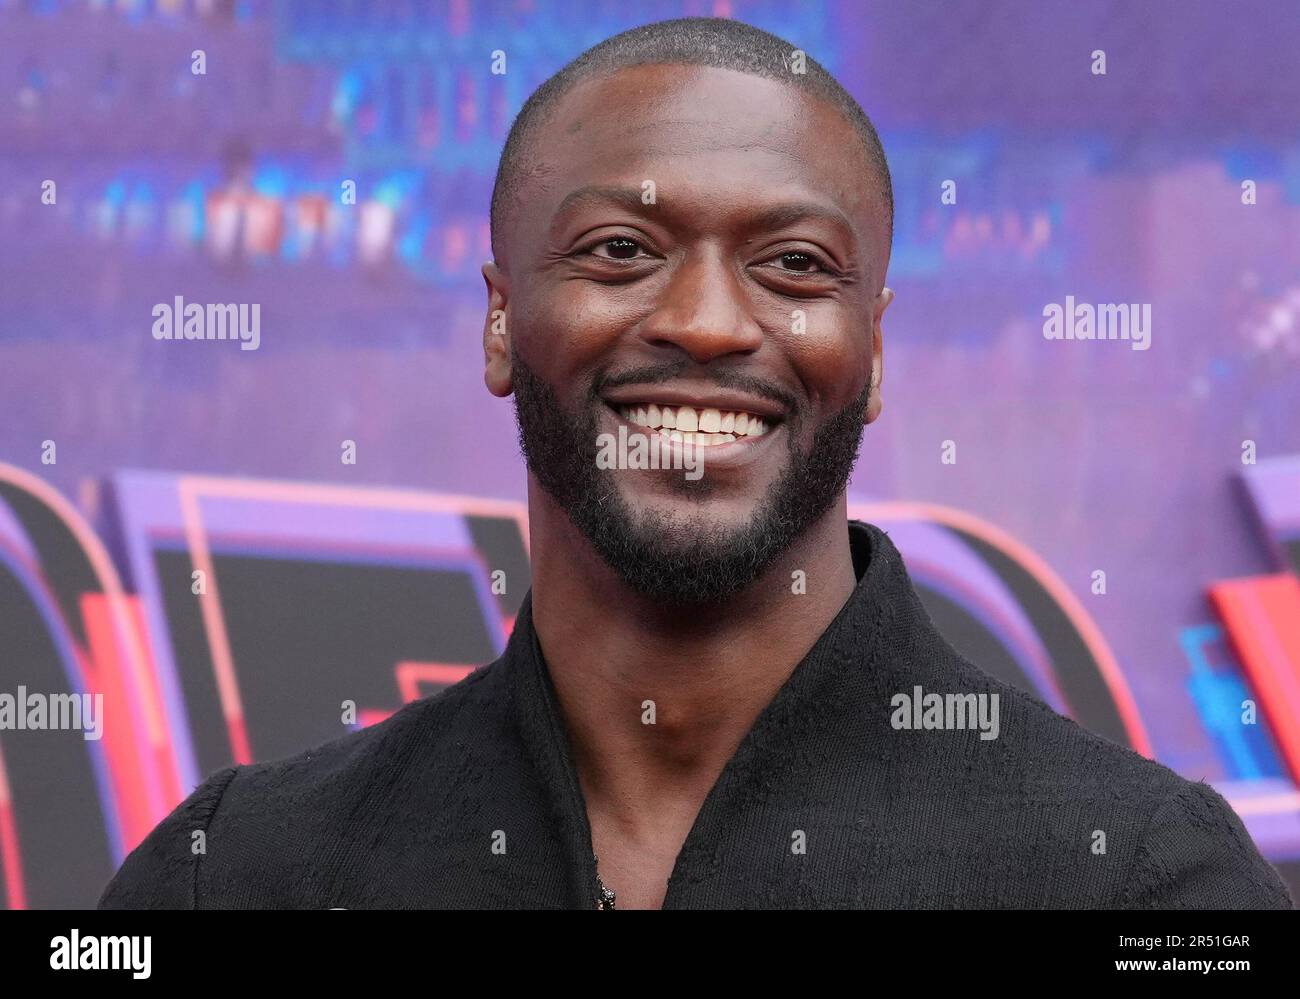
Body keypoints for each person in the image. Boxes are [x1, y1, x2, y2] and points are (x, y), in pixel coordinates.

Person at [100, 16, 1294, 910]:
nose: (711, 323)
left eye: (792, 266)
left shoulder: (1140, 887)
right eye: (622, 249)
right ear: (502, 323)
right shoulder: (242, 874)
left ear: (871, 355)